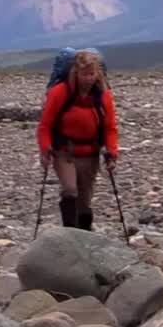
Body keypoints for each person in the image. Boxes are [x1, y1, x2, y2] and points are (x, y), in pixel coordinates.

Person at [37, 50, 119, 230]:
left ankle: (83, 234)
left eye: (92, 74)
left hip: (90, 153)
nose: (89, 78)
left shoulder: (102, 96)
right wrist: (45, 149)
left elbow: (109, 127)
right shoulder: (60, 92)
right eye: (85, 74)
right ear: (76, 73)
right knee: (70, 190)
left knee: (84, 201)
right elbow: (45, 125)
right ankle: (70, 232)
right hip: (64, 152)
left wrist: (112, 152)